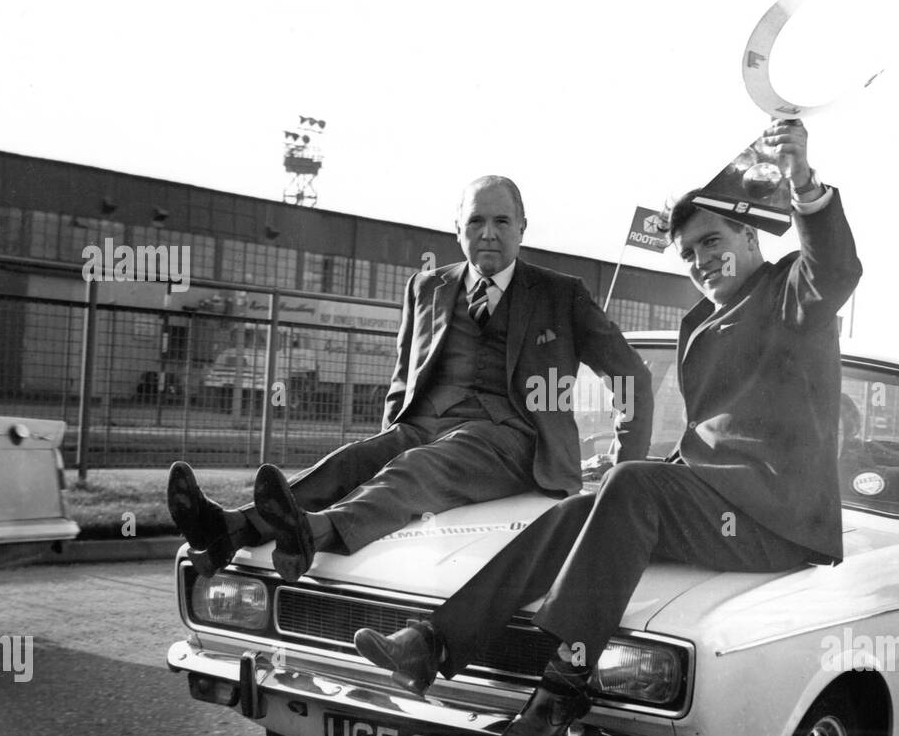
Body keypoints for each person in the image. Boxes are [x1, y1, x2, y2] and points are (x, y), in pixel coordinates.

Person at [356, 119, 863, 736]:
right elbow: (710, 439)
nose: (702, 262)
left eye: (713, 243)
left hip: (780, 520)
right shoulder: (699, 322)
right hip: (724, 503)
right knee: (578, 508)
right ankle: (432, 644)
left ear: (750, 236)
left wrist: (804, 185)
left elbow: (835, 267)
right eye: (688, 255)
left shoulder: (792, 292)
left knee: (628, 483)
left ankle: (564, 684)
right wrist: (637, 488)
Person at [168, 175, 652, 582]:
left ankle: (315, 533)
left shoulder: (561, 294)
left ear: (523, 228)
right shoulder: (427, 286)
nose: (488, 232)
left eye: (502, 221)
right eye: (475, 221)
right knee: (354, 461)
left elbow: (630, 375)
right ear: (456, 229)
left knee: (419, 467)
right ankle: (229, 530)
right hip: (425, 423)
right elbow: (402, 378)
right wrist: (387, 439)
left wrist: (623, 466)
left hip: (513, 440)